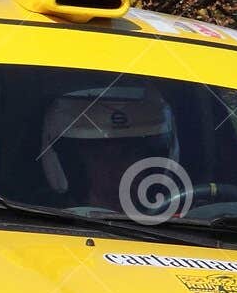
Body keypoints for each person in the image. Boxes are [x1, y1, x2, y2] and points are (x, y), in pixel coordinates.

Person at [36, 86, 179, 212]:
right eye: (100, 157)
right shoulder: (41, 227)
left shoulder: (181, 228)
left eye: (128, 155)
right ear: (73, 167)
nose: (117, 171)